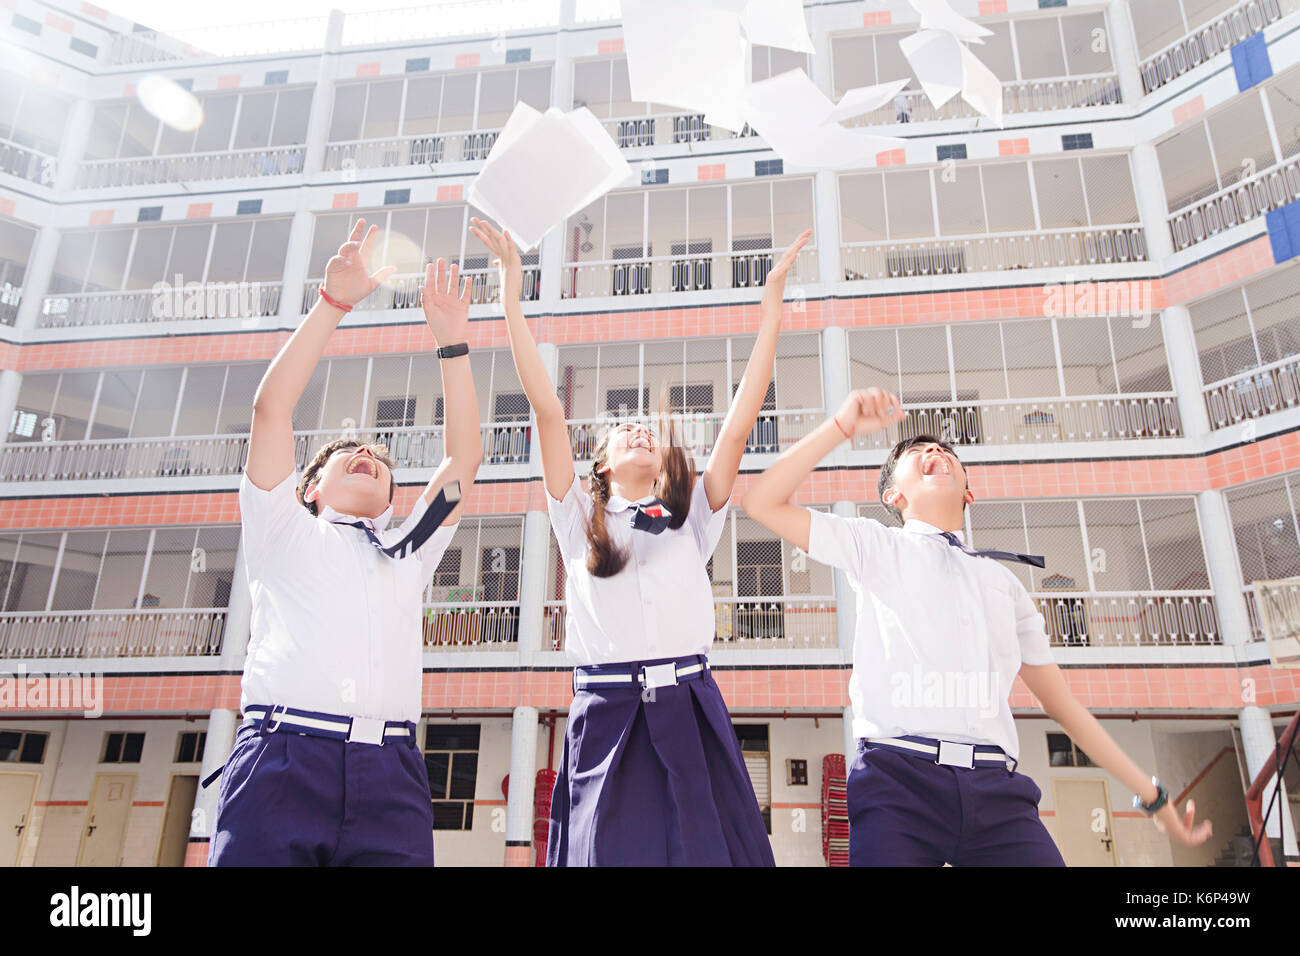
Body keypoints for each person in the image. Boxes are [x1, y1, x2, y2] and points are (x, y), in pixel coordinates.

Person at [741, 393, 1213, 865]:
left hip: (996, 792)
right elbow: (761, 502)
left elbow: (1063, 706)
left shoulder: (1006, 586)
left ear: (969, 490)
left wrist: (1152, 796)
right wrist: (840, 427)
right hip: (896, 781)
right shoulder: (874, 546)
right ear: (893, 496)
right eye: (915, 452)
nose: (935, 451)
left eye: (947, 451)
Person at [471, 214, 812, 866]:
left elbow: (738, 429)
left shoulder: (690, 519)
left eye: (647, 433)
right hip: (608, 705)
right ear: (599, 464)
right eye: (621, 431)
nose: (639, 432)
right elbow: (546, 408)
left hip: (690, 699)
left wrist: (770, 315)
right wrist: (511, 297)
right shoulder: (580, 520)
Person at [206, 219, 483, 866]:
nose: (365, 452)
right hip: (281, 760)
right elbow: (271, 411)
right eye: (346, 453)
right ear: (310, 490)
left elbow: (463, 459)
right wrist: (333, 303)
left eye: (379, 457)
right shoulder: (282, 531)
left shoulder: (408, 549)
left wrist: (453, 344)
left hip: (391, 773)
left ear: (393, 502)